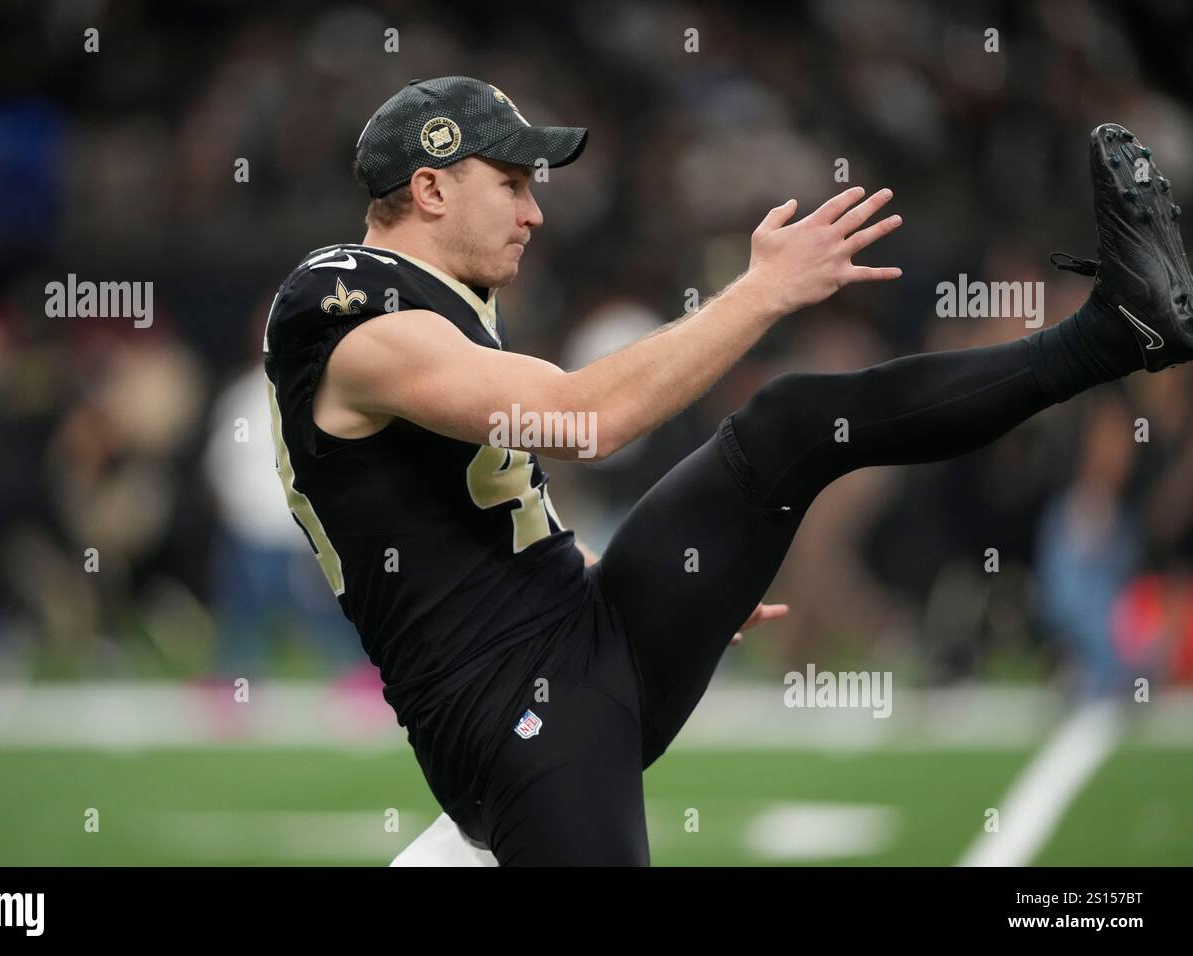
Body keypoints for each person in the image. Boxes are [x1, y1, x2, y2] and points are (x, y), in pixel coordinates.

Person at [263, 75, 1192, 865]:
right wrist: (761, 292)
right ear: (429, 188)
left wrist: (680, 573)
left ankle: (1114, 331)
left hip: (579, 632)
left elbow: (453, 524)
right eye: (509, 182)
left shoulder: (433, 304)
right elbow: (583, 421)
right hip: (510, 714)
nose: (535, 210)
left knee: (793, 421)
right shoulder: (348, 309)